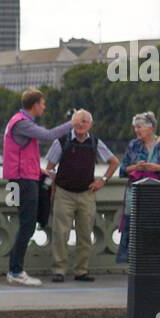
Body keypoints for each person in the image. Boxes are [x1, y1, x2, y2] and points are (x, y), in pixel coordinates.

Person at [3, 88, 74, 286]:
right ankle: (15, 271)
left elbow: (21, 153)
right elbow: (50, 135)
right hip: (23, 181)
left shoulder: (16, 121)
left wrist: (37, 169)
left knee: (24, 224)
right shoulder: (22, 123)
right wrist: (73, 123)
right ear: (34, 105)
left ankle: (14, 269)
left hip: (18, 179)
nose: (44, 107)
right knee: (27, 224)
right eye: (42, 103)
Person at [43, 109, 120, 283]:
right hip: (64, 193)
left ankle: (81, 271)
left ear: (90, 125)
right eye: (78, 121)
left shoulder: (95, 142)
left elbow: (114, 162)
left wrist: (103, 180)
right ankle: (59, 270)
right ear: (72, 123)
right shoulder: (61, 142)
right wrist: (53, 187)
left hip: (87, 193)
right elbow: (49, 168)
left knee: (85, 234)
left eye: (85, 122)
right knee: (60, 234)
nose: (81, 124)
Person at [116, 111, 160, 267]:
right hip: (137, 193)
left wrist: (157, 168)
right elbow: (123, 169)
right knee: (135, 225)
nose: (136, 130)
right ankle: (136, 258)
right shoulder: (134, 145)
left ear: (151, 128)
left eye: (139, 127)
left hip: (159, 194)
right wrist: (137, 167)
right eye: (135, 127)